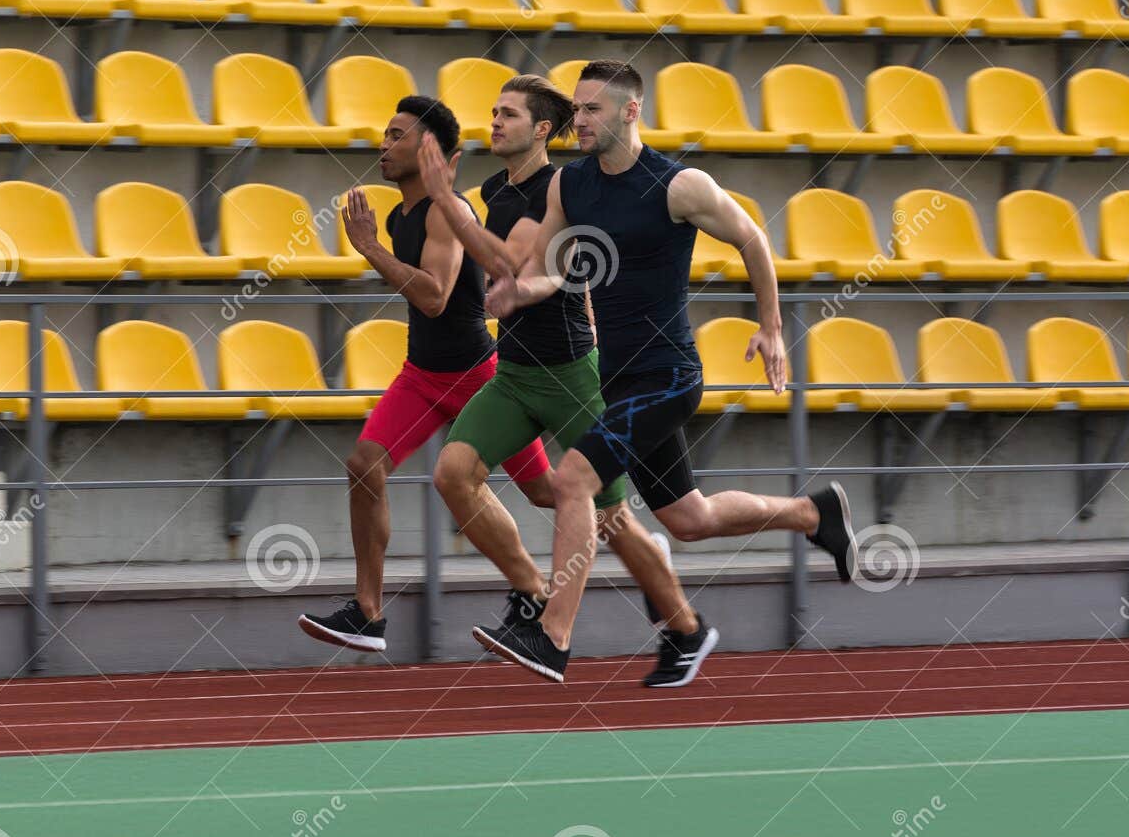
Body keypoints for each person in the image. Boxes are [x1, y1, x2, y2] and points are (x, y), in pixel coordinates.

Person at [423, 59, 860, 683]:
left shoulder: (678, 185)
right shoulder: (571, 186)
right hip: (617, 378)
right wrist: (524, 292)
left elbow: (752, 240)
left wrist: (771, 328)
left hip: (670, 376)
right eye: (575, 109)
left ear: (631, 111)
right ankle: (813, 513)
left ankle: (553, 636)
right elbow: (551, 263)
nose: (580, 120)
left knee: (573, 482)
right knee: (688, 520)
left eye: (592, 109)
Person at [421, 74, 717, 688]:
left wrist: (443, 199)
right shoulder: (496, 190)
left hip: (572, 374)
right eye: (493, 111)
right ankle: (532, 595)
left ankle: (686, 627)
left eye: (508, 114)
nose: (494, 122)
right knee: (453, 472)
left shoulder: (557, 191)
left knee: (612, 520)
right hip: (515, 373)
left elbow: (508, 264)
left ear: (542, 130)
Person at [298, 96, 552, 654]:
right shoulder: (398, 215)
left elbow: (435, 298)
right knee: (365, 467)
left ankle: (603, 544)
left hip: (479, 377)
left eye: (396, 136)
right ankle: (368, 612)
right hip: (422, 376)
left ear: (429, 150)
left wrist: (369, 250)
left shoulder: (447, 210)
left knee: (548, 491)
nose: (383, 146)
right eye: (383, 135)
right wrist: (378, 243)